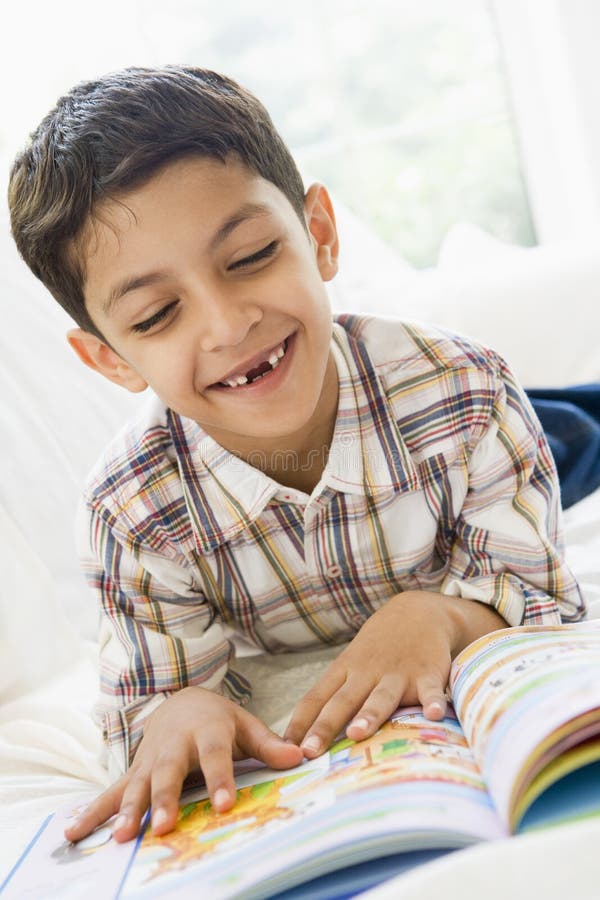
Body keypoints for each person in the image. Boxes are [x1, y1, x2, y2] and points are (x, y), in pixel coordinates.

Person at [8, 65, 584, 845]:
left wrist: (439, 613)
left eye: (250, 256)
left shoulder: (465, 392)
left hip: (473, 438)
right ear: (111, 360)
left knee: (576, 436)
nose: (227, 324)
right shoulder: (133, 512)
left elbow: (541, 596)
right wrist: (180, 710)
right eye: (157, 314)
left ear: (319, 235)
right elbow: (147, 704)